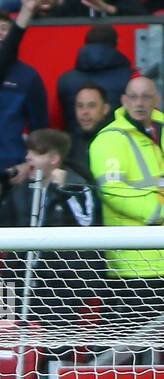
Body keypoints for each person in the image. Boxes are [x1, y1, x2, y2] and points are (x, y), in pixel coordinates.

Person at [89, 77, 164, 290]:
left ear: (156, 99)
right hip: (133, 266)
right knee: (135, 325)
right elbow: (113, 191)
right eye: (133, 97)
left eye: (146, 97)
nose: (139, 103)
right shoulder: (109, 139)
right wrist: (158, 210)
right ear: (124, 100)